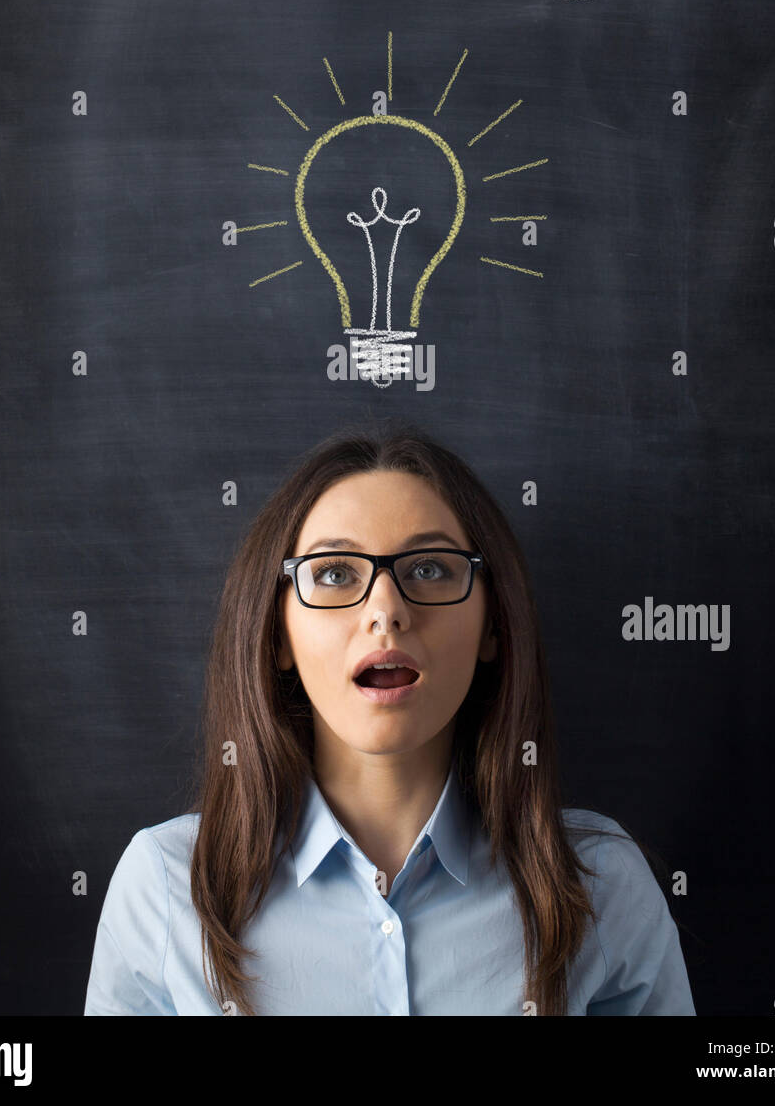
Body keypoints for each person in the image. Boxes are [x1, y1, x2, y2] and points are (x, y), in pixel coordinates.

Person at [84, 422, 695, 1015]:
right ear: (278, 637)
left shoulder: (602, 886)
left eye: (428, 569)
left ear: (493, 626)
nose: (387, 611)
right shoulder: (165, 890)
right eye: (333, 573)